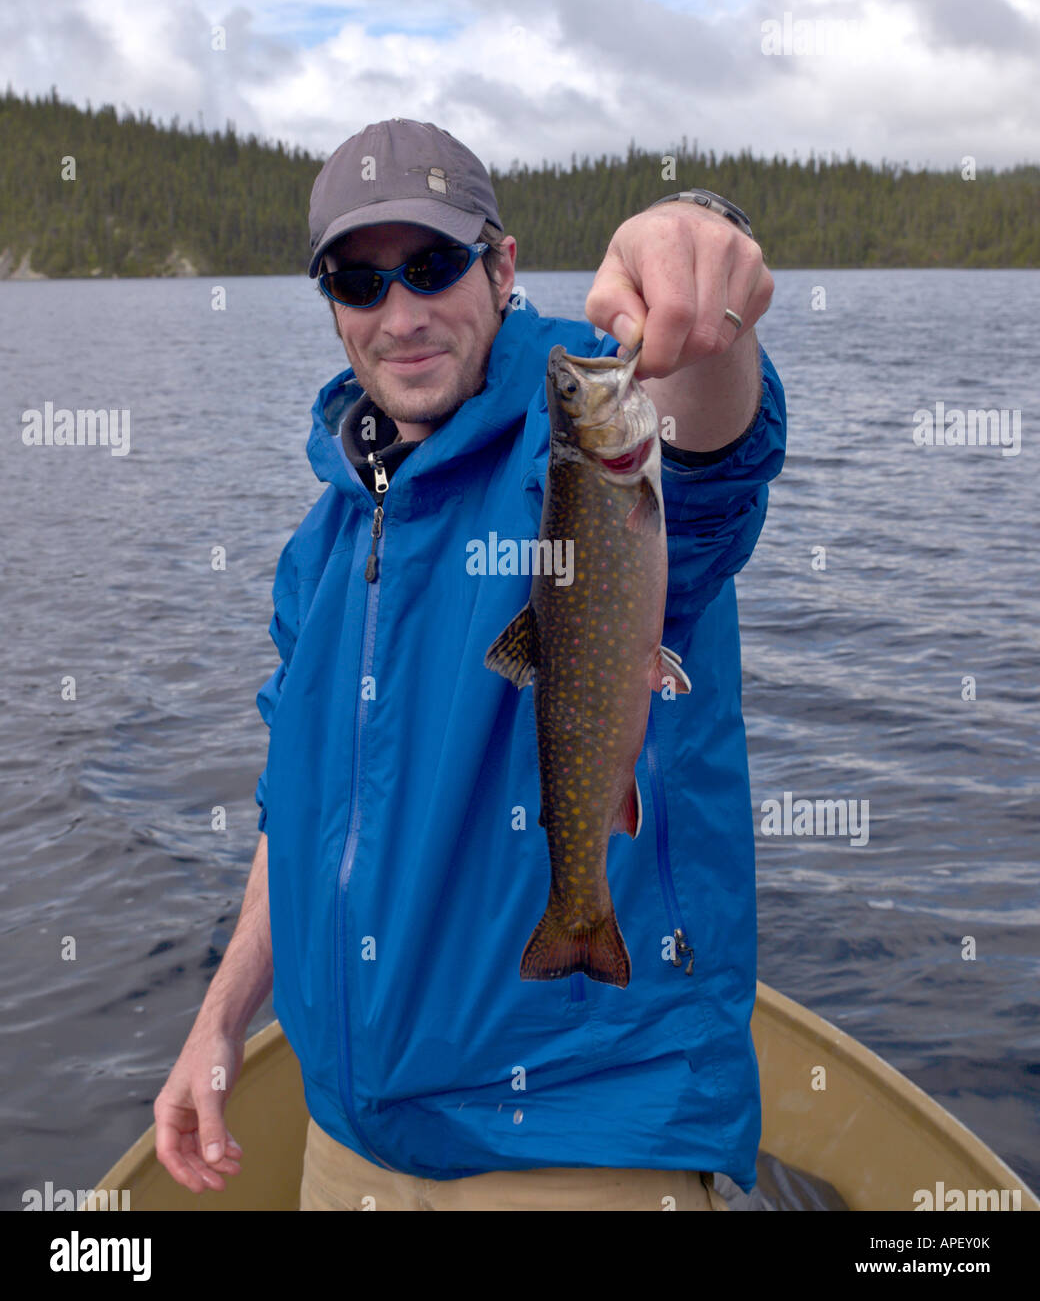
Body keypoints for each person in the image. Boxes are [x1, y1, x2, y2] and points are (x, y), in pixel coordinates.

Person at [154, 118, 786, 1211]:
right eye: (359, 280)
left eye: (432, 265)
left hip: (579, 1143)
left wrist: (699, 253)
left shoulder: (577, 444)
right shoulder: (321, 548)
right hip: (349, 1139)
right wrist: (219, 1017)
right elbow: (297, 814)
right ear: (333, 307)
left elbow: (707, 447)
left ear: (501, 268)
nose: (398, 313)